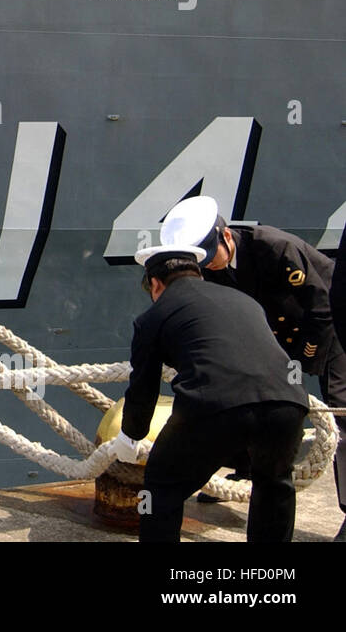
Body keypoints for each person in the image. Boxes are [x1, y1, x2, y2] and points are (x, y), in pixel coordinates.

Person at [159, 195, 346, 540]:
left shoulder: (275, 249)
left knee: (341, 411)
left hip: (328, 330)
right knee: (241, 396)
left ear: (226, 236)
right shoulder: (205, 271)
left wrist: (301, 365)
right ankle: (241, 470)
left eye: (209, 253)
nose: (205, 266)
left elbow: (321, 310)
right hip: (271, 339)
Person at [111, 243, 309, 542]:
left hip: (215, 408)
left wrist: (131, 436)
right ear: (198, 273)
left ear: (155, 283)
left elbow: (144, 387)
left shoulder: (153, 317)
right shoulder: (244, 300)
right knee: (274, 484)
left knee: (162, 488)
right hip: (287, 402)